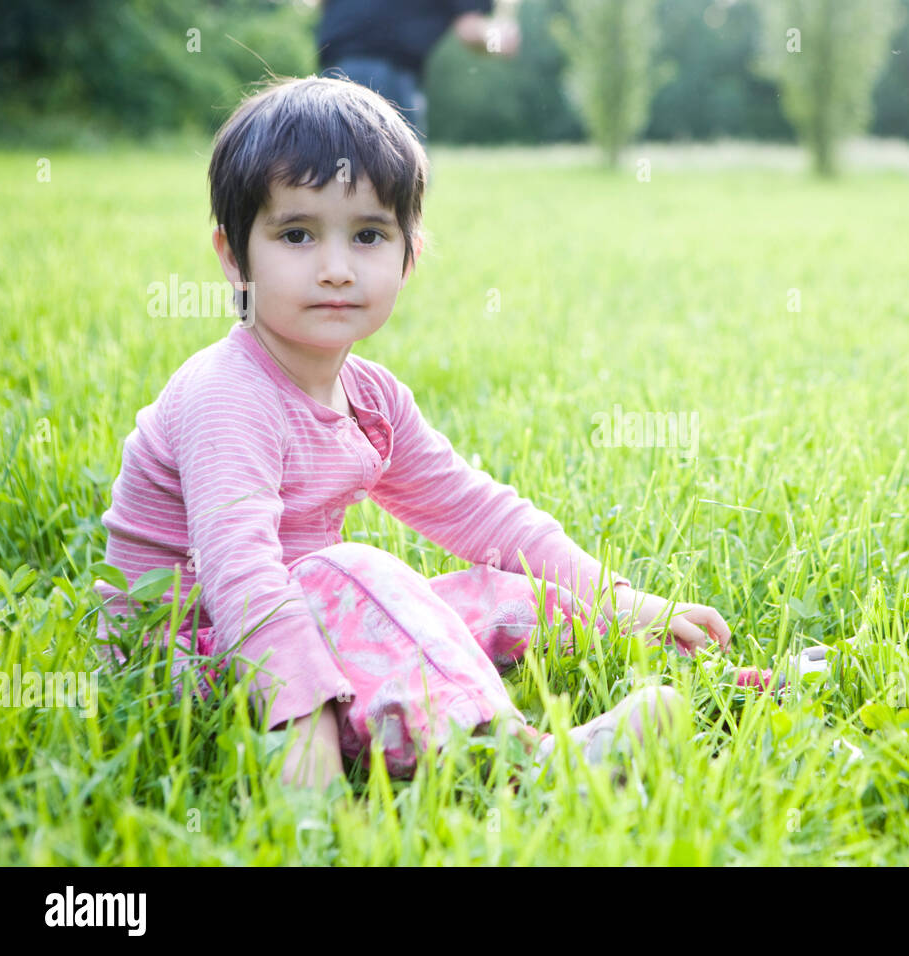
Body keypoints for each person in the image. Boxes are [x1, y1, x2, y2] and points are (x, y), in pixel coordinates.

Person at [93, 75, 737, 794]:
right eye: (297, 234)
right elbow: (238, 576)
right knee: (353, 572)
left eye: (367, 235)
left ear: (409, 257)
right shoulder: (227, 395)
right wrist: (305, 750)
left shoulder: (371, 398)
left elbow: (477, 510)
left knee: (499, 591)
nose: (336, 269)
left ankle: (708, 675)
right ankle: (523, 761)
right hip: (192, 661)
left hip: (306, 615)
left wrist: (626, 601)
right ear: (232, 256)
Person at [316, 0, 521, 147]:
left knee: (340, 170)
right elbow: (470, 29)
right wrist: (498, 39)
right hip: (387, 72)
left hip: (333, 67)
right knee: (402, 181)